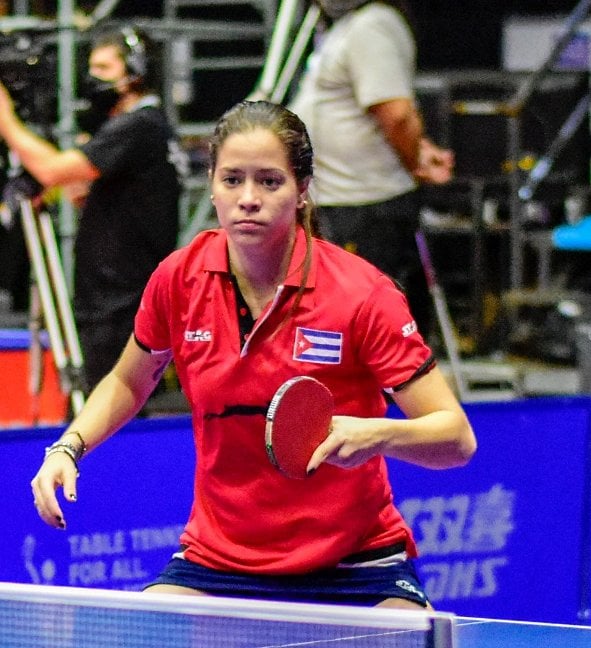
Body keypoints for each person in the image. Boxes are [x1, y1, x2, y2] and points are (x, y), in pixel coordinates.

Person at [30, 100, 477, 608]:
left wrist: (378, 434)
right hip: (218, 562)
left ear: (302, 190)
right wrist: (68, 446)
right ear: (213, 187)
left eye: (269, 181)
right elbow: (131, 380)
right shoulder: (179, 278)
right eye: (232, 180)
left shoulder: (361, 294)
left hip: (356, 563)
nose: (248, 199)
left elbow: (455, 438)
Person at [0, 26, 185, 392]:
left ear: (135, 70)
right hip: (121, 296)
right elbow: (77, 190)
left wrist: (7, 120)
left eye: (104, 68)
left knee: (111, 404)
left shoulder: (138, 126)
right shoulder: (150, 126)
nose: (92, 79)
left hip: (118, 303)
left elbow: (53, 171)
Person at [289, 0, 454, 339]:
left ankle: (384, 394)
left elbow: (397, 115)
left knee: (370, 332)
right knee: (343, 329)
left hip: (366, 211)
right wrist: (419, 151)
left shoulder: (373, 24)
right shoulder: (349, 26)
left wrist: (414, 161)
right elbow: (377, 116)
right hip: (346, 205)